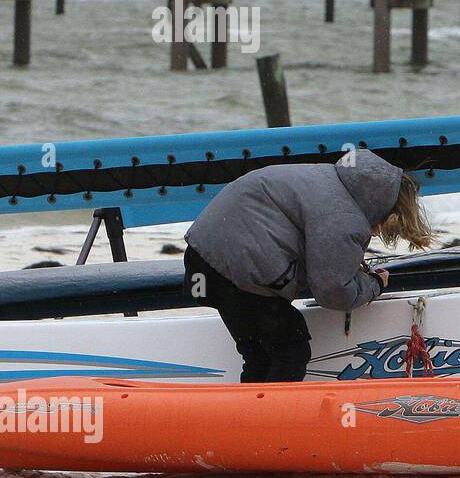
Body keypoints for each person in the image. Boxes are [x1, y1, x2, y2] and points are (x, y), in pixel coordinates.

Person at [183, 149, 435, 382]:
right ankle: (271, 425)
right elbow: (333, 291)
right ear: (387, 209)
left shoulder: (327, 178)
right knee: (290, 351)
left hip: (204, 258)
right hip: (238, 272)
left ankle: (248, 420)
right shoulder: (344, 217)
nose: (378, 231)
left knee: (260, 355)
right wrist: (374, 284)